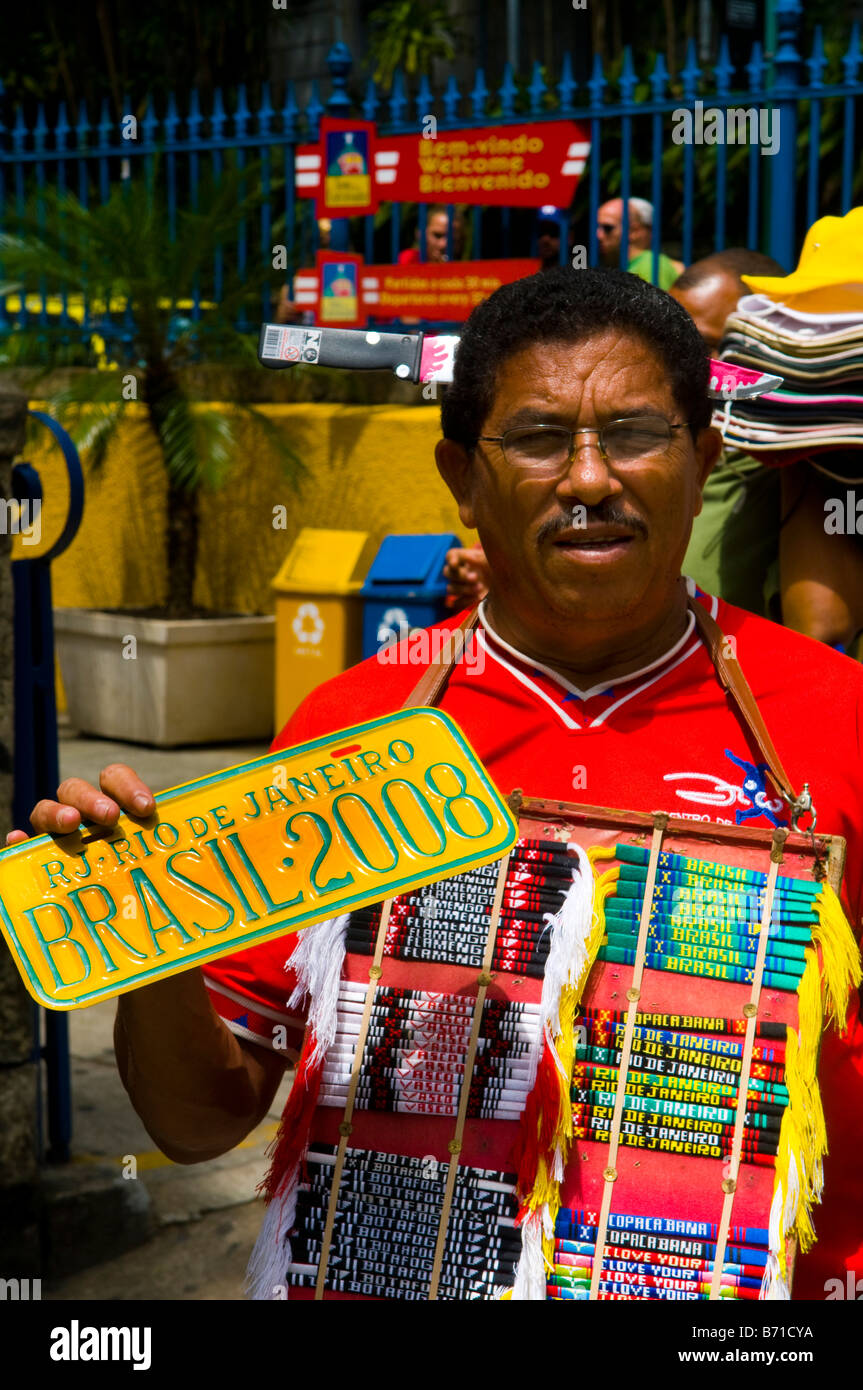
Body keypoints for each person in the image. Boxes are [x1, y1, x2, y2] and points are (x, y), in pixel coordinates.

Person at [13, 268, 863, 1301]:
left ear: (705, 458)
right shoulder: (349, 731)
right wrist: (151, 938)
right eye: (541, 438)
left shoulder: (834, 717)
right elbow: (198, 1123)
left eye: (635, 433)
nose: (589, 477)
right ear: (461, 476)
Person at [670, 249, 786, 618]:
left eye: (704, 346)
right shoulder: (647, 440)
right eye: (672, 345)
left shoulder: (789, 459)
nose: (682, 367)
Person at [596, 196, 683, 288]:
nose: (598, 235)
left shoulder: (651, 264)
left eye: (608, 228)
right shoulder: (628, 266)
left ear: (633, 231)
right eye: (597, 227)